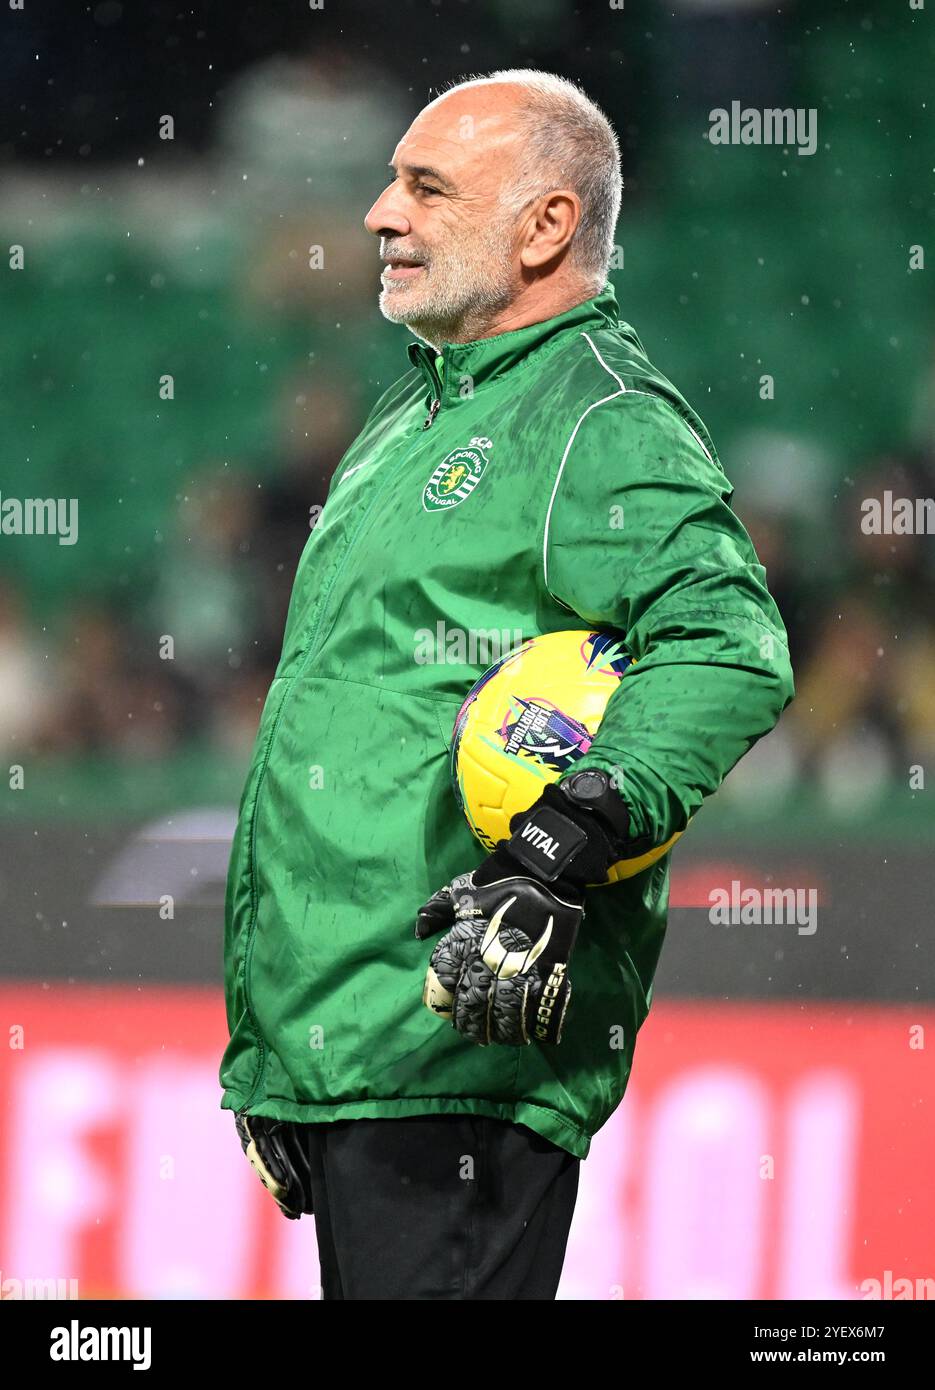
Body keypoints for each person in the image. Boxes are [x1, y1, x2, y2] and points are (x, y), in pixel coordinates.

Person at [221, 68, 795, 1300]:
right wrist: (280, 1058)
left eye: (425, 186)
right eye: (390, 181)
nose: (380, 212)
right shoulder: (414, 408)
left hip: (464, 1045)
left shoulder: (598, 415)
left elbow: (726, 641)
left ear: (543, 226)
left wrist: (559, 845)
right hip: (369, 1048)